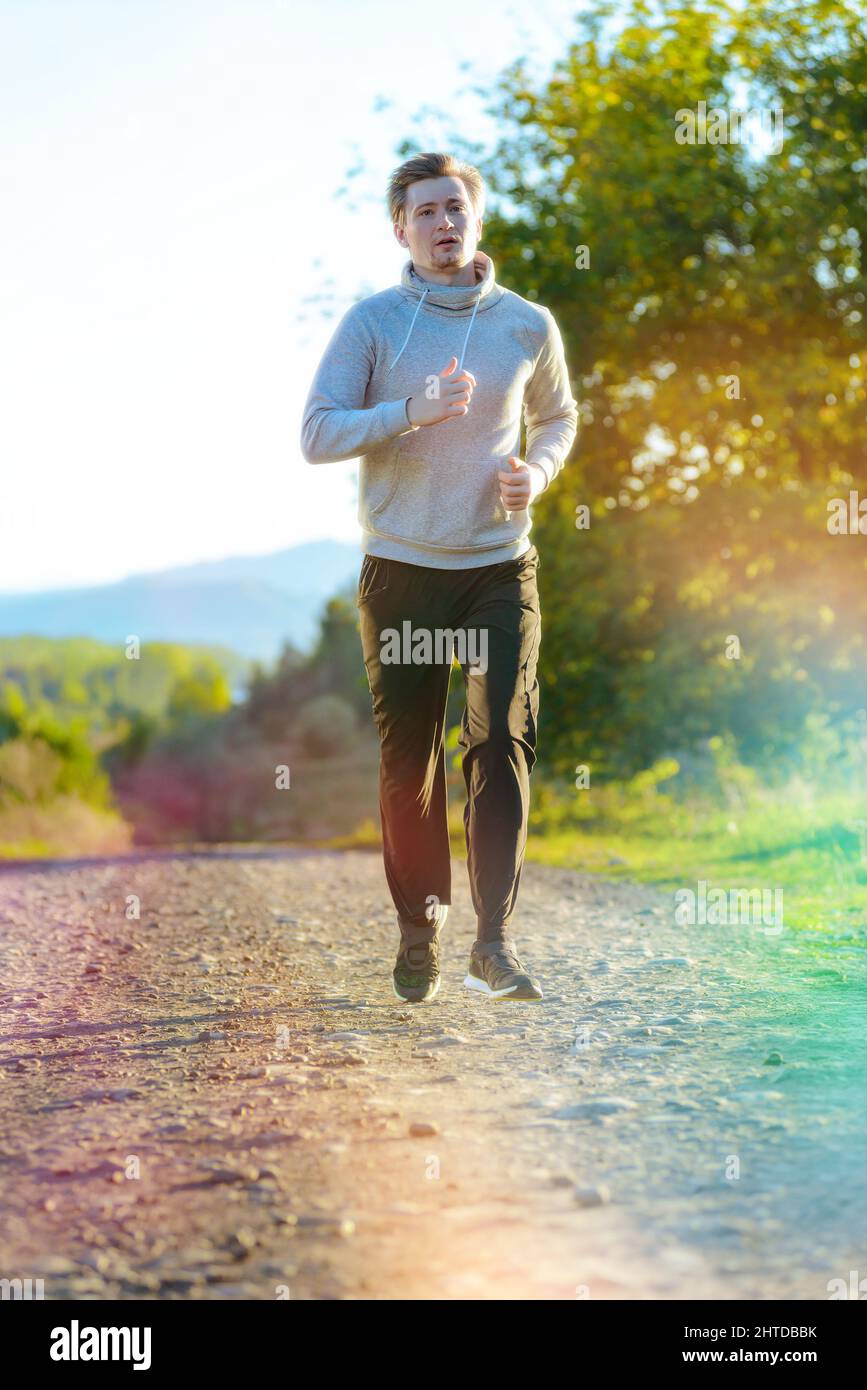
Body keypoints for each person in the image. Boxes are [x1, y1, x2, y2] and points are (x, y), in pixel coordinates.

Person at [301, 152, 578, 1002]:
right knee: (409, 761)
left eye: (454, 207)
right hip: (402, 572)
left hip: (497, 567)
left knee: (498, 740)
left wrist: (537, 471)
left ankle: (491, 943)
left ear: (477, 219)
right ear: (401, 229)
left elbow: (559, 416)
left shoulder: (526, 324)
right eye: (424, 212)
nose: (442, 223)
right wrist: (409, 413)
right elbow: (317, 434)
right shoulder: (373, 324)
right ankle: (420, 926)